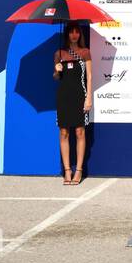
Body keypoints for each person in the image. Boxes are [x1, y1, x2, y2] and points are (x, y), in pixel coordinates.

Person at [53, 23, 93, 185]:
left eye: (77, 32)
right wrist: (57, 70)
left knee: (79, 132)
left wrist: (89, 97)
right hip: (63, 97)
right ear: (67, 34)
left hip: (80, 95)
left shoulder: (85, 52)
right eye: (71, 32)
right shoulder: (59, 53)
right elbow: (56, 77)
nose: (74, 35)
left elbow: (89, 77)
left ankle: (79, 171)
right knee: (64, 133)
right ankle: (67, 171)